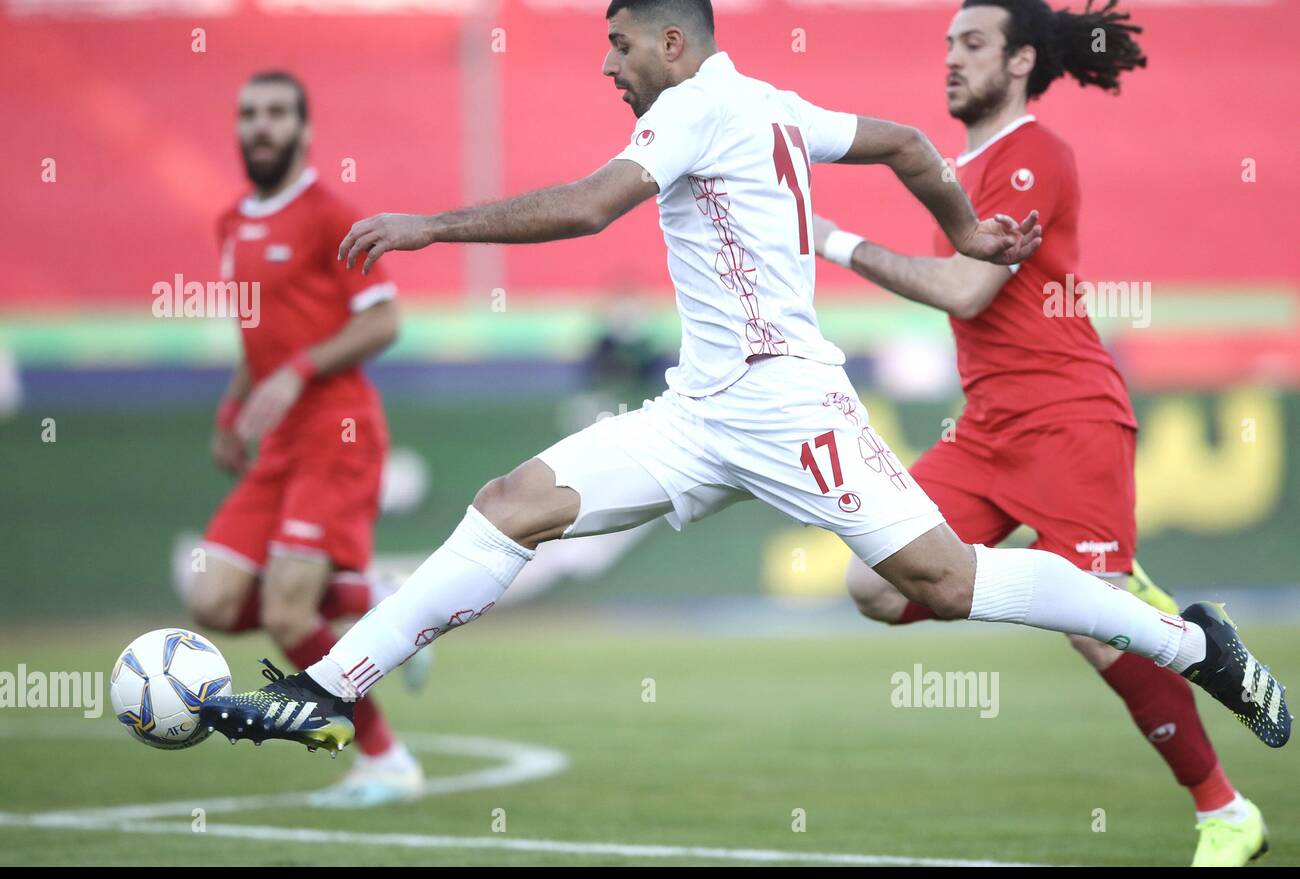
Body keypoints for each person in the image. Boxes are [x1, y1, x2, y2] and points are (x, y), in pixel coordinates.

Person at [197, 1, 1289, 790]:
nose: (610, 66)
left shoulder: (698, 107)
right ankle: (332, 688)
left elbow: (585, 209)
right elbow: (906, 143)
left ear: (673, 41)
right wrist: (963, 234)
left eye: (618, 45)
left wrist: (431, 224)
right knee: (510, 501)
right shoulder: (769, 103)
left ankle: (1197, 645)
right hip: (698, 414)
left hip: (789, 406)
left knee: (942, 583)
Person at [812, 0, 1270, 866]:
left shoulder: (1033, 155)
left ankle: (1225, 813)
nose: (951, 59)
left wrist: (830, 241)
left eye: (973, 44)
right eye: (947, 44)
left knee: (1092, 629)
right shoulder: (968, 162)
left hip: (1068, 419)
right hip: (988, 432)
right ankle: (1102, 585)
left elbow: (964, 291)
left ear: (1021, 61)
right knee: (873, 585)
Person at [188, 71, 424, 806]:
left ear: (303, 129)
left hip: (337, 431)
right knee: (215, 602)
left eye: (277, 114)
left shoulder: (331, 216)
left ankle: (385, 759)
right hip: (278, 442)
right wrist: (235, 409)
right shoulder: (230, 221)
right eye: (250, 113)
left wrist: (296, 371)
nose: (262, 126)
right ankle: (372, 596)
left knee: (290, 612)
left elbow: (385, 320)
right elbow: (259, 336)